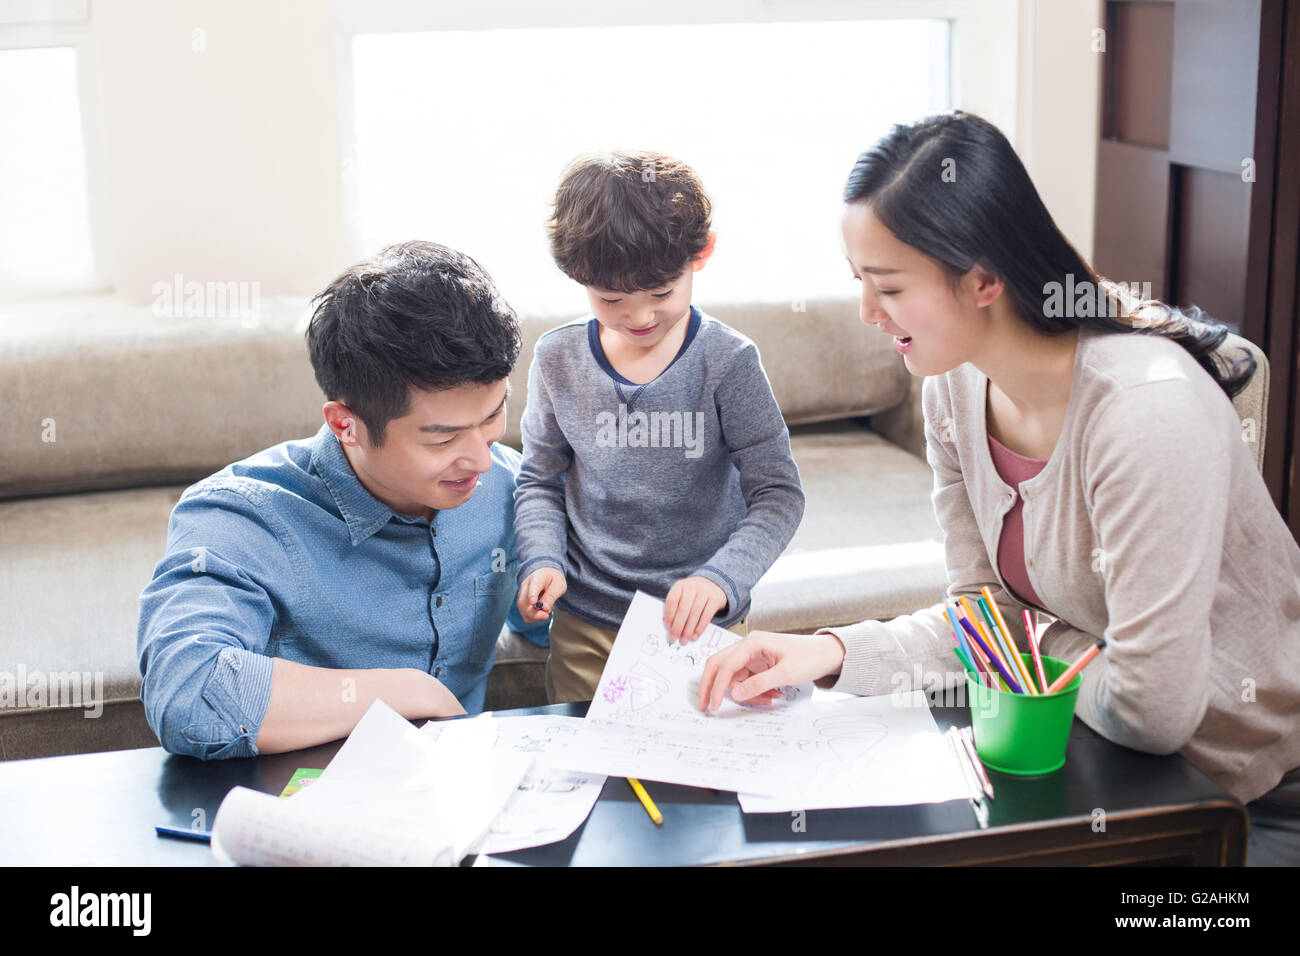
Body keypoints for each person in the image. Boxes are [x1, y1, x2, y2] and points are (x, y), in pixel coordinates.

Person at [695, 112, 1300, 866]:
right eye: (859, 282)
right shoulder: (952, 388)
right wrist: (826, 653)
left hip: (1229, 800)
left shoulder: (1146, 414)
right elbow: (983, 620)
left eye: (887, 287)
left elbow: (1152, 712)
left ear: (983, 279)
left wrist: (1022, 638)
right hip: (1082, 758)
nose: (867, 314)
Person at [137, 240, 547, 759]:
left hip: (465, 804)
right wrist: (399, 693)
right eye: (442, 439)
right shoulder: (242, 515)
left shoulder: (509, 489)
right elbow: (187, 690)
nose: (482, 461)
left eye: (491, 417)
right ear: (345, 425)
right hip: (303, 811)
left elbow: (546, 622)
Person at [514, 149, 805, 703]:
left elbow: (779, 495)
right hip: (586, 626)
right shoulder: (557, 359)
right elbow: (538, 480)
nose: (641, 317)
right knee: (596, 781)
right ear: (578, 277)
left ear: (702, 254)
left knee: (703, 776)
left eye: (663, 294)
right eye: (612, 299)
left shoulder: (729, 362)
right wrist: (542, 559)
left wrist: (720, 579)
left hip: (703, 628)